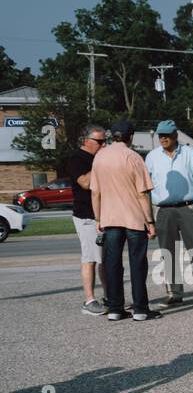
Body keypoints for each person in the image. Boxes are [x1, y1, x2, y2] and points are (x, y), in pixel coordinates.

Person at [90, 120, 158, 322]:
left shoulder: (100, 157)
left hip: (110, 218)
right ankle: (140, 309)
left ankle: (115, 308)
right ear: (131, 136)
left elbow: (95, 192)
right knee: (137, 264)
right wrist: (150, 222)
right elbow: (143, 194)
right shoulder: (133, 157)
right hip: (134, 219)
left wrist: (98, 218)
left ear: (112, 135)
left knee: (112, 264)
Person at [145, 120, 193, 305]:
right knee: (168, 253)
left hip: (189, 207)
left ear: (175, 135)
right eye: (160, 135)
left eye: (166, 134)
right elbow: (146, 188)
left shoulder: (190, 153)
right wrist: (148, 215)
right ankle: (175, 293)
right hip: (163, 210)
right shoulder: (152, 157)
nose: (163, 138)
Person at [69, 122, 108, 315]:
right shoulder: (78, 158)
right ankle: (89, 300)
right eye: (99, 141)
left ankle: (109, 296)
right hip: (86, 215)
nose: (103, 145)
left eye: (105, 141)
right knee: (90, 258)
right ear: (86, 141)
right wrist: (100, 163)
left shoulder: (99, 157)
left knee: (104, 258)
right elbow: (85, 182)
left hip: (104, 214)